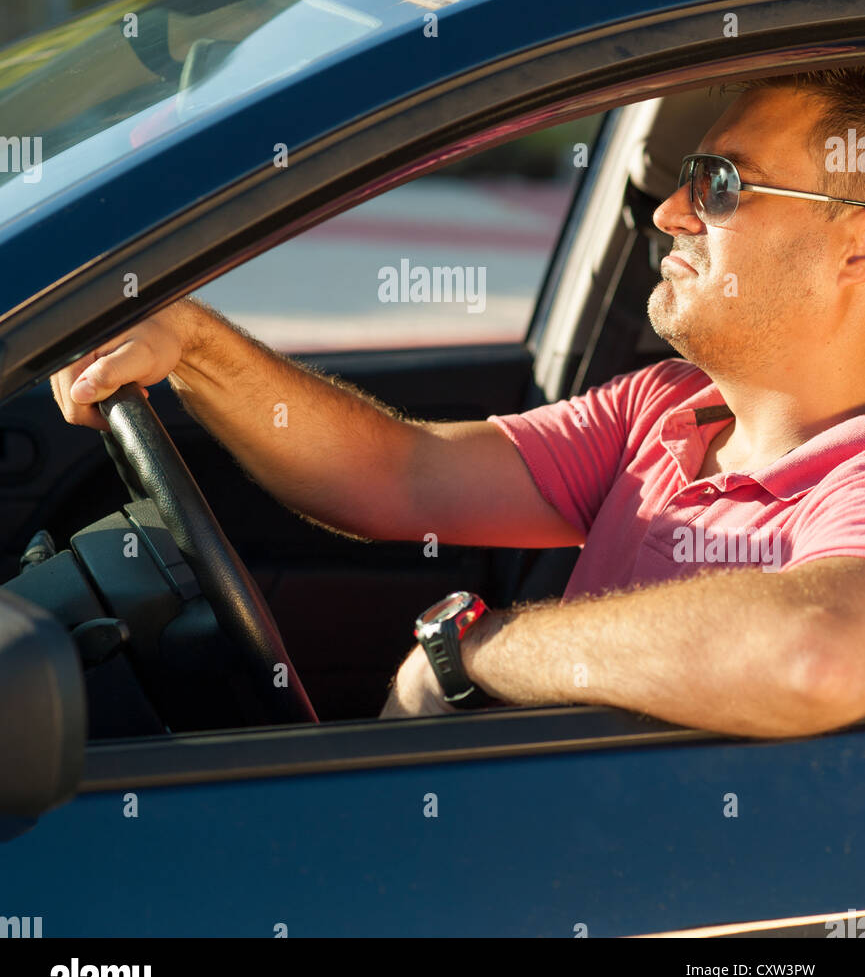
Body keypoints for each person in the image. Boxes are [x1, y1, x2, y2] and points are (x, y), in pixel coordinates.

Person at [51, 69, 865, 737]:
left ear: (853, 251)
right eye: (688, 176)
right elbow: (396, 475)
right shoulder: (661, 408)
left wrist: (474, 653)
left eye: (720, 184)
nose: (668, 212)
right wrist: (192, 344)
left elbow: (819, 653)